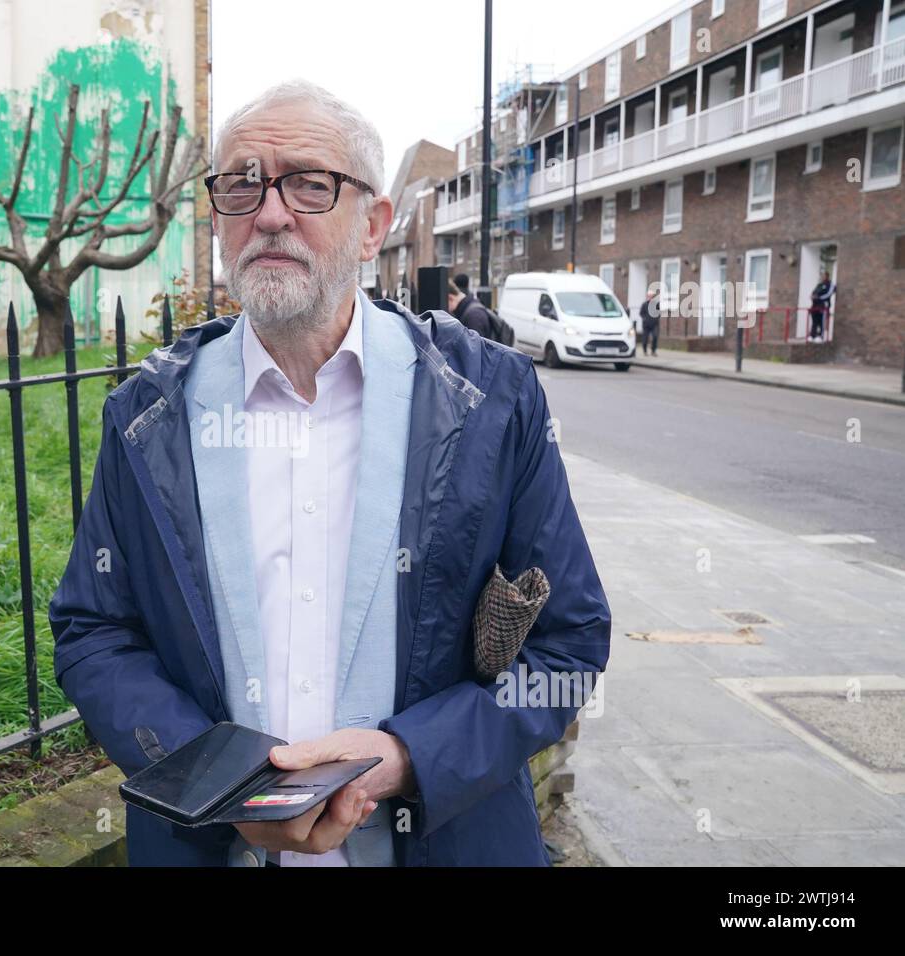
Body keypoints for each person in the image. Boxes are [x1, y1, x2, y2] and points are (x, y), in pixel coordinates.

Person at [48, 80, 611, 867]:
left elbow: (567, 642)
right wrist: (220, 790)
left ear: (374, 225)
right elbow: (93, 629)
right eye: (241, 184)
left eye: (310, 183)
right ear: (219, 219)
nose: (270, 212)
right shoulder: (149, 415)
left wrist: (412, 755)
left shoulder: (489, 399)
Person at [810, 271, 835, 342]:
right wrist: (812, 296)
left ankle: (821, 336)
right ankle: (812, 335)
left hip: (823, 305)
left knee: (822, 321)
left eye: (823, 276)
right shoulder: (819, 285)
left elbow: (829, 294)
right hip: (815, 305)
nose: (822, 277)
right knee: (815, 320)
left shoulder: (830, 284)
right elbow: (813, 292)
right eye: (821, 276)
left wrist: (819, 297)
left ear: (827, 276)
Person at [638, 287, 660, 356]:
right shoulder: (644, 305)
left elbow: (659, 312)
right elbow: (641, 313)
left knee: (655, 337)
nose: (651, 298)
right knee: (645, 338)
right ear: (647, 297)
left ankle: (653, 351)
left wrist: (656, 318)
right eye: (649, 296)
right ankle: (644, 351)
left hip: (654, 324)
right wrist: (645, 319)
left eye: (652, 296)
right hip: (646, 325)